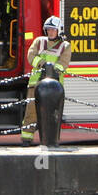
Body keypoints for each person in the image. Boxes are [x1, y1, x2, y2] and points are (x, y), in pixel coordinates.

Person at [22, 15, 73, 145]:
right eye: (48, 29)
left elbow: (63, 63)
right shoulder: (39, 41)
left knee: (53, 115)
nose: (50, 32)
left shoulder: (65, 46)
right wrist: (43, 64)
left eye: (53, 29)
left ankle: (52, 140)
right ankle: (26, 139)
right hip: (36, 84)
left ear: (59, 30)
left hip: (54, 89)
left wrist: (53, 69)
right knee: (31, 113)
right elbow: (30, 55)